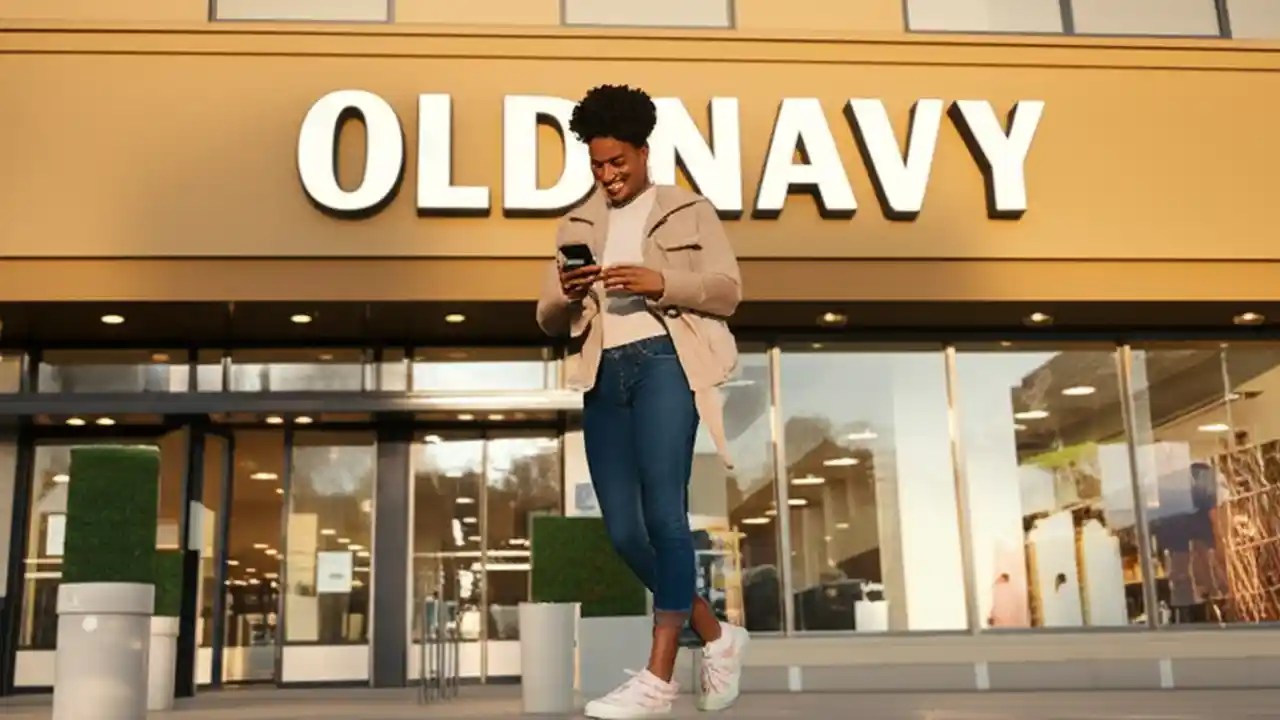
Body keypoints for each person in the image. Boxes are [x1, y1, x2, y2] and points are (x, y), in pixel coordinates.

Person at [536, 83, 748, 719]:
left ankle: (658, 678)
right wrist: (571, 294)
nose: (608, 175)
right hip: (603, 375)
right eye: (598, 164)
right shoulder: (575, 221)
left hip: (663, 364)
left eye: (617, 162)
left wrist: (662, 282)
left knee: (665, 517)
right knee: (624, 530)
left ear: (643, 152)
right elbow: (547, 315)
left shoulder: (688, 209)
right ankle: (718, 635)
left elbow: (728, 290)